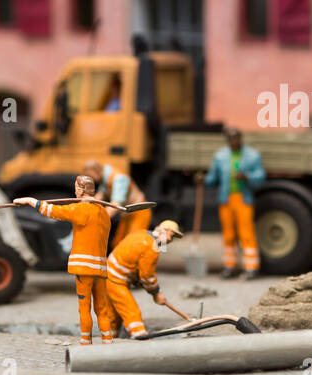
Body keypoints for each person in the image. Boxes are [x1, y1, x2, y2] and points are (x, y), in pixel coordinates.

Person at [14, 176, 113, 346]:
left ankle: (85, 342)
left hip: (83, 267)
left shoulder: (81, 209)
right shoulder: (104, 213)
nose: (75, 191)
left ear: (82, 190)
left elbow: (55, 212)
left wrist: (32, 202)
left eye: (76, 188)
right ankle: (108, 341)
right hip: (100, 268)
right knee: (102, 309)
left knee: (84, 308)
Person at [200, 126, 267, 279]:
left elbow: (261, 176)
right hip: (226, 199)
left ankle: (251, 267)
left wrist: (247, 177)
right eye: (230, 138)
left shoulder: (252, 156)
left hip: (243, 198)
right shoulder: (220, 156)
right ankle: (229, 266)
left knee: (246, 233)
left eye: (236, 138)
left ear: (241, 138)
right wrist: (203, 179)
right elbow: (213, 178)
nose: (234, 141)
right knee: (228, 234)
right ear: (227, 140)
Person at [105, 221, 184, 338]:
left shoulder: (142, 234)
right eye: (171, 235)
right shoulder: (151, 248)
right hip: (115, 279)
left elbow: (132, 260)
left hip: (106, 274)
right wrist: (156, 293)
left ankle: (110, 338)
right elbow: (147, 276)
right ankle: (139, 336)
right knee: (131, 310)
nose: (169, 240)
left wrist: (137, 280)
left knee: (113, 314)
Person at [82, 159, 150, 248]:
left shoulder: (119, 178)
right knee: (118, 243)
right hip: (127, 213)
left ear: (94, 171)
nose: (91, 178)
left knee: (133, 244)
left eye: (90, 175)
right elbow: (101, 194)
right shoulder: (105, 177)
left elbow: (116, 204)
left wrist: (98, 218)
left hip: (139, 212)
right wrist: (86, 205)